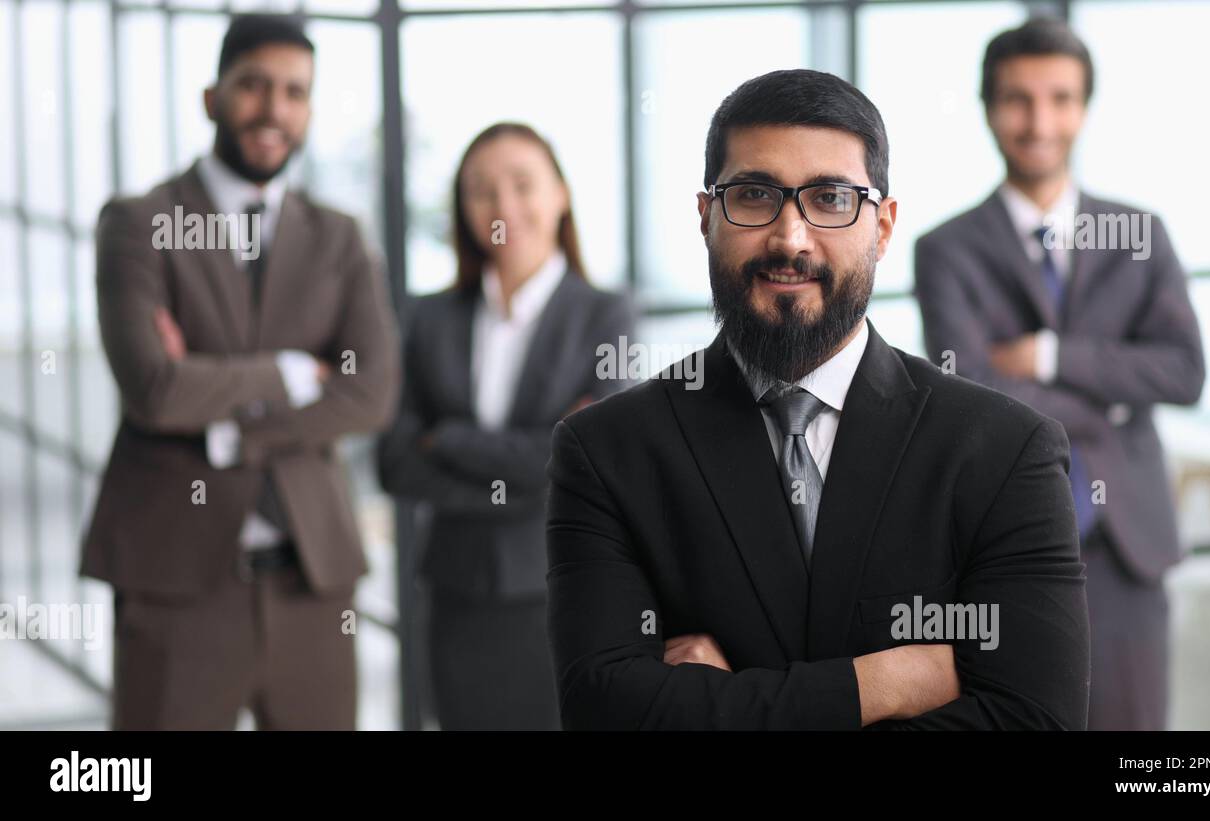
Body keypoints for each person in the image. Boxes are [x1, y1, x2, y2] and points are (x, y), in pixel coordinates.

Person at [545, 68, 1089, 730]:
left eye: (830, 198)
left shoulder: (1005, 450)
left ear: (883, 228)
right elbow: (604, 712)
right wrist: (876, 683)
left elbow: (1037, 720)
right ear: (706, 217)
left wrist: (725, 702)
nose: (790, 238)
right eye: (753, 195)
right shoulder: (607, 453)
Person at [81, 13, 400, 730]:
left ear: (309, 110)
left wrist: (228, 428)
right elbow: (155, 392)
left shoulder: (339, 237)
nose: (273, 108)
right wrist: (288, 371)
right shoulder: (140, 223)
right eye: (253, 85)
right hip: (175, 582)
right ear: (211, 97)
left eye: (294, 92)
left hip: (311, 581)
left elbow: (371, 393)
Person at [914, 17, 1204, 730]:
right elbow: (974, 389)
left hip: (1125, 544)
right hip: (1004, 541)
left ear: (1084, 107)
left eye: (1060, 98)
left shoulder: (1141, 232)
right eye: (1018, 99)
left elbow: (1185, 371)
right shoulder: (945, 247)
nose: (1040, 121)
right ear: (987, 108)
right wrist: (1111, 398)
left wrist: (1047, 355)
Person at [378, 122, 635, 730]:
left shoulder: (604, 313)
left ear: (561, 195)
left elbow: (591, 464)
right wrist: (531, 466)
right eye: (480, 191)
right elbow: (393, 462)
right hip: (456, 598)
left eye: (524, 184)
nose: (503, 207)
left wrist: (447, 440)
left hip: (566, 595)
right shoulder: (431, 317)